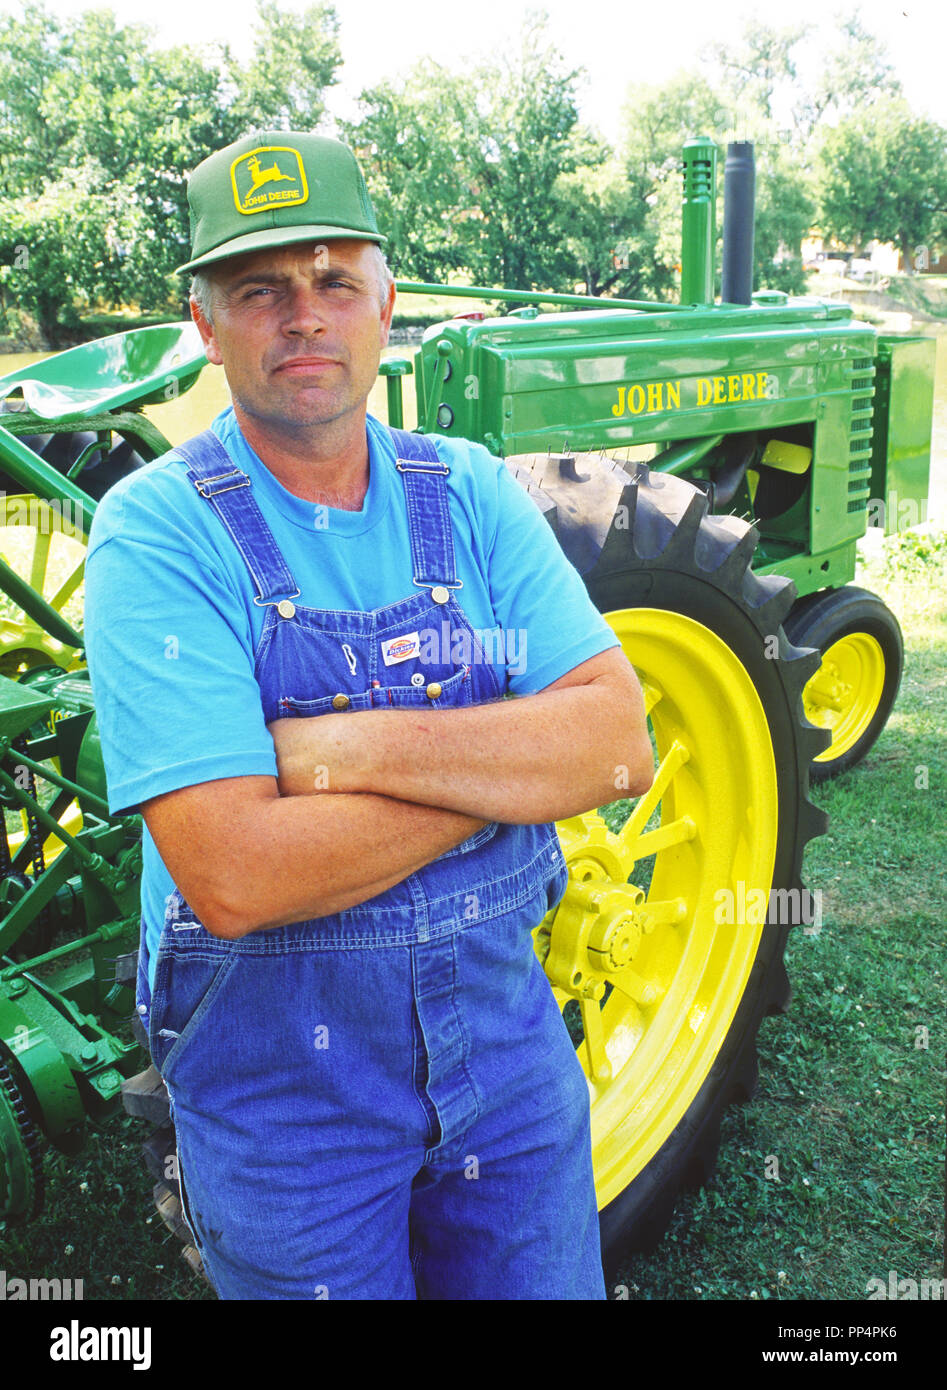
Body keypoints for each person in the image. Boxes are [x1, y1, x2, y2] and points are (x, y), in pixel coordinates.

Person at [84, 130, 654, 1301]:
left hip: (507, 1053)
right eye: (260, 290)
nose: (304, 315)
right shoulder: (158, 532)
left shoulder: (472, 488)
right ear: (206, 324)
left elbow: (613, 745)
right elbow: (235, 873)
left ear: (384, 304)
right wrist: (500, 785)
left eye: (334, 280)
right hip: (284, 1100)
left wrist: (334, 755)